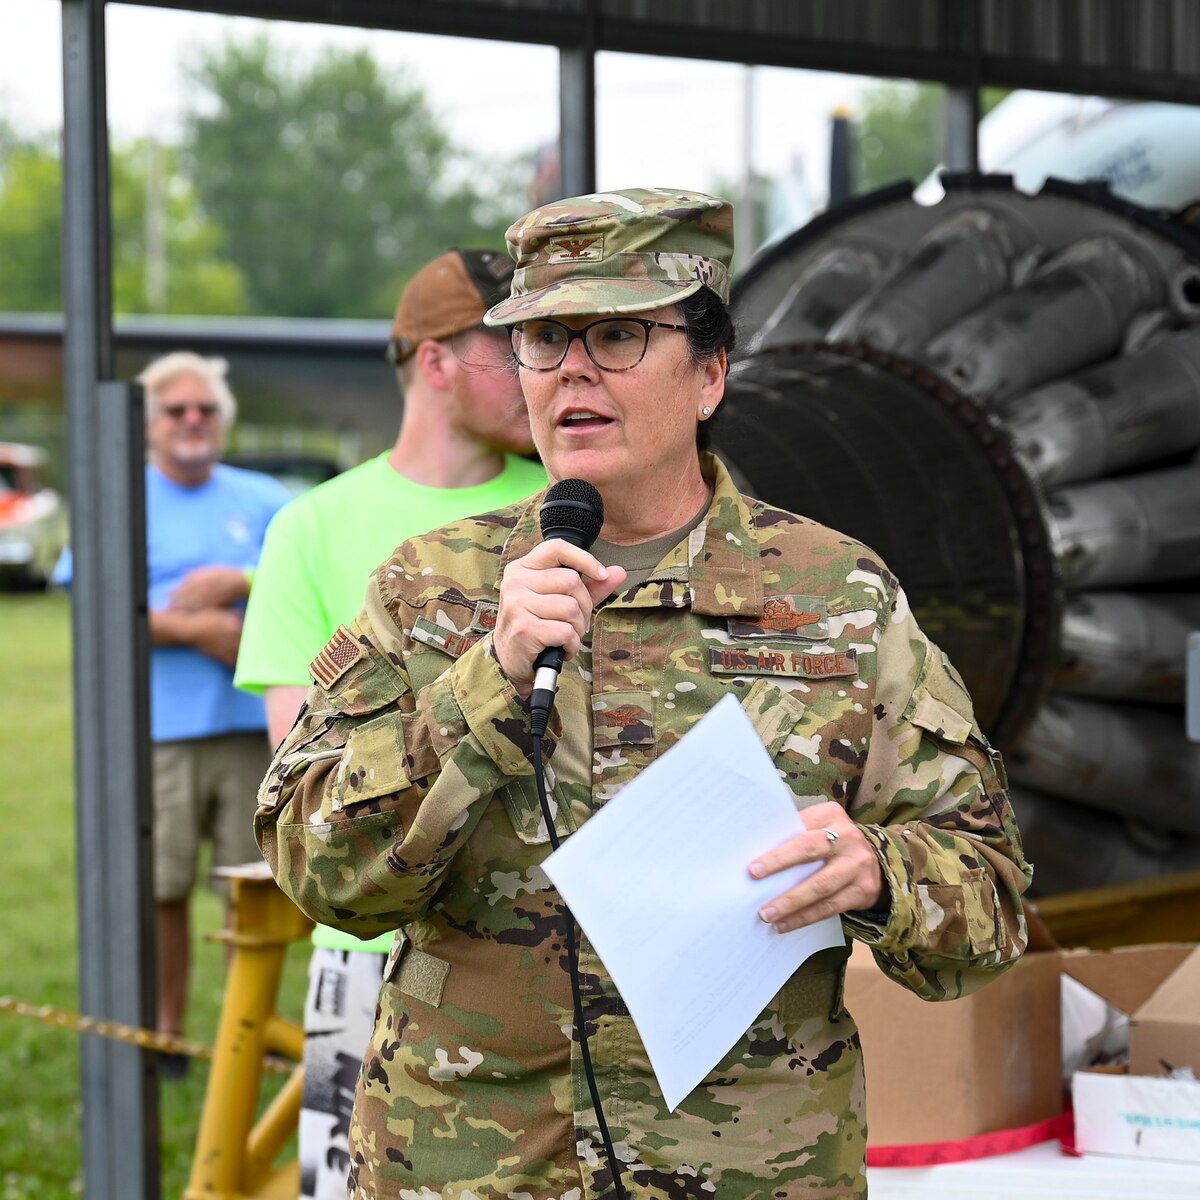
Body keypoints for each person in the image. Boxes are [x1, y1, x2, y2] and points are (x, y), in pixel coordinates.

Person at [255, 189, 1031, 1199]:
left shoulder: (836, 596)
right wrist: (482, 689)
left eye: (617, 335)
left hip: (750, 1170)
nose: (572, 368)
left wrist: (879, 874)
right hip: (471, 1170)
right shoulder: (428, 589)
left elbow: (992, 905)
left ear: (710, 375)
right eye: (542, 340)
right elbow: (321, 870)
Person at [234, 248, 545, 1200]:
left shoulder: (574, 507)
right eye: (512, 346)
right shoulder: (314, 527)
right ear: (436, 360)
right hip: (366, 953)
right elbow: (308, 764)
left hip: (537, 950)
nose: (541, 371)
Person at [60, 351, 291, 1073]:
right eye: (176, 410)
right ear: (150, 426)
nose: (193, 421)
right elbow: (89, 598)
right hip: (158, 733)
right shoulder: (118, 495)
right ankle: (165, 1034)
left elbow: (298, 591)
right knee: (161, 890)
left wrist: (241, 611)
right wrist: (193, 628)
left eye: (206, 410)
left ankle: (246, 1034)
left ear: (224, 421)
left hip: (253, 732)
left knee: (253, 889)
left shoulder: (264, 498)